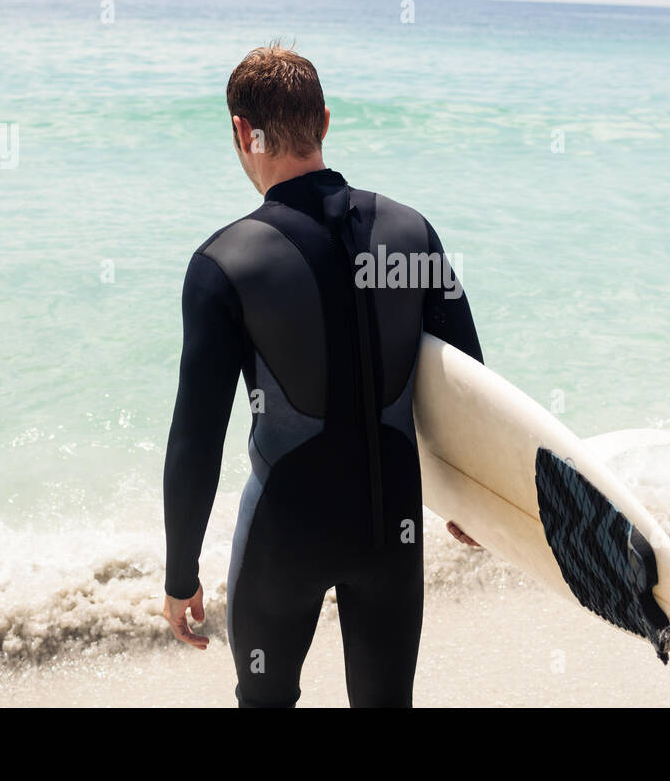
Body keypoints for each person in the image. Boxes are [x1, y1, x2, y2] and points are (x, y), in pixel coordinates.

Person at [160, 43, 483, 707]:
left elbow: (195, 438)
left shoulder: (224, 263)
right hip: (390, 529)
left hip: (286, 533)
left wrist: (180, 574)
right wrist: (475, 499)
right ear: (325, 123)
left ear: (242, 133)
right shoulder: (412, 232)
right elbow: (470, 383)